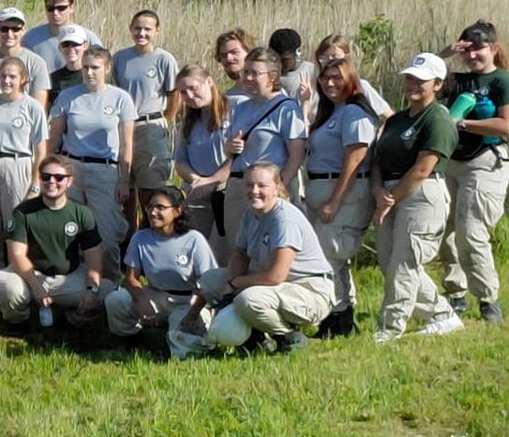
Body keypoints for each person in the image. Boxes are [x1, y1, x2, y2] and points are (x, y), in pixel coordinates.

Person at [369, 52, 463, 343]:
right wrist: (378, 192)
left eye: (421, 80)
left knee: (404, 263)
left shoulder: (438, 119)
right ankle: (441, 315)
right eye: (409, 78)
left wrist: (390, 198)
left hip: (421, 194)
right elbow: (376, 160)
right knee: (388, 261)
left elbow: (423, 168)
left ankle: (390, 328)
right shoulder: (396, 119)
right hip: (389, 192)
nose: (412, 84)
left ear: (437, 84)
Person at [193, 164, 334, 354]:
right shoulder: (250, 214)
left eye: (262, 185)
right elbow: (240, 255)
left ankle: (287, 337)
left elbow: (276, 276)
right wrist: (227, 290)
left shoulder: (284, 219)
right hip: (273, 284)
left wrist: (236, 283)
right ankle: (253, 341)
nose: (254, 191)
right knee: (209, 282)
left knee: (248, 300)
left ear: (277, 187)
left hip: (308, 288)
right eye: (249, 185)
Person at [440, 19, 509, 323]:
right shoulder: (456, 79)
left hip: (485, 162)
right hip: (451, 162)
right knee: (443, 232)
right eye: (466, 50)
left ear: (493, 48)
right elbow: (419, 76)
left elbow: (506, 127)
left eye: (478, 49)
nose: (472, 56)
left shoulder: (501, 81)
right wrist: (445, 53)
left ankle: (487, 299)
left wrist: (464, 123)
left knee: (471, 233)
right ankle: (455, 294)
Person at [303, 58, 378, 337]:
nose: (330, 83)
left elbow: (355, 159)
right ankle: (342, 315)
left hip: (345, 192)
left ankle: (335, 319)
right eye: (325, 78)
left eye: (337, 78)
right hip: (322, 188)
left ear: (351, 80)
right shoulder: (331, 112)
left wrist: (335, 200)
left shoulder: (354, 114)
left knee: (327, 256)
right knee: (333, 257)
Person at [48, 45, 136, 277]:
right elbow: (55, 137)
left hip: (105, 170)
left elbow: (127, 144)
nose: (89, 72)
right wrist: (46, 170)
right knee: (69, 228)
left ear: (106, 68)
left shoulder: (120, 99)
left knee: (105, 233)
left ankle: (109, 285)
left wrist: (124, 180)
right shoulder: (68, 97)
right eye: (85, 67)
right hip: (72, 168)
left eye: (95, 68)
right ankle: (73, 284)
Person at [0, 155, 106, 327]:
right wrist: (36, 287)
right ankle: (18, 322)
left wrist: (92, 290)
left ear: (69, 182)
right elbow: (17, 255)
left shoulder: (82, 213)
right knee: (8, 287)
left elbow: (94, 258)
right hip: (31, 275)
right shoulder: (23, 212)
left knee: (109, 295)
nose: (52, 181)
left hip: (69, 277)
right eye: (46, 176)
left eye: (59, 178)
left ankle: (73, 320)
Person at [217, 47, 308, 258]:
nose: (248, 78)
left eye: (254, 73)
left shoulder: (286, 109)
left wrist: (280, 186)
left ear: (272, 76)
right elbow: (229, 150)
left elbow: (296, 154)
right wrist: (229, 148)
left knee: (268, 250)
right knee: (238, 249)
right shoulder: (240, 107)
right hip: (239, 185)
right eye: (245, 72)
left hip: (270, 188)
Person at [105, 186, 216, 355]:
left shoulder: (194, 240)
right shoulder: (140, 237)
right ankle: (132, 342)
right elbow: (131, 278)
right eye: (150, 207)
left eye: (160, 207)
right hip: (154, 294)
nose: (152, 212)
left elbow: (208, 285)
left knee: (182, 345)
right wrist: (142, 300)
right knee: (115, 300)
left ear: (177, 211)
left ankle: (173, 340)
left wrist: (193, 314)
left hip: (187, 301)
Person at [0, 56, 48, 273]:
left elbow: (41, 150)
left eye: (12, 76)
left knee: (15, 222)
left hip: (18, 164)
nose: (6, 80)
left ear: (23, 79)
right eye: (3, 76)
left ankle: (18, 273)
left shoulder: (32, 107)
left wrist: (35, 185)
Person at [111, 10, 179, 196]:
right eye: (137, 28)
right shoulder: (119, 58)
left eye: (147, 29)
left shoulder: (164, 59)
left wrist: (166, 119)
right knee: (125, 189)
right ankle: (131, 226)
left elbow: (175, 93)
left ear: (157, 31)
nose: (141, 33)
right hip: (124, 128)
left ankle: (149, 225)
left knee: (150, 188)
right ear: (130, 29)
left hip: (150, 127)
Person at [172, 64, 229, 245]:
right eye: (183, 92)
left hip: (225, 189)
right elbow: (180, 161)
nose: (189, 96)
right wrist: (197, 180)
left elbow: (240, 156)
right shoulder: (189, 121)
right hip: (197, 190)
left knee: (223, 246)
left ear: (209, 82)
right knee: (199, 244)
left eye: (193, 88)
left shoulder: (233, 110)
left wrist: (213, 180)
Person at [0, 8, 54, 107]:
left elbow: (39, 107)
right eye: (4, 29)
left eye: (15, 29)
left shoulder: (36, 63)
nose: (9, 34)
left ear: (23, 30)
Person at [24, 0, 99, 65]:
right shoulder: (30, 38)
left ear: (72, 8)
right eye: (50, 8)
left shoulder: (88, 37)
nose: (55, 13)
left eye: (61, 8)